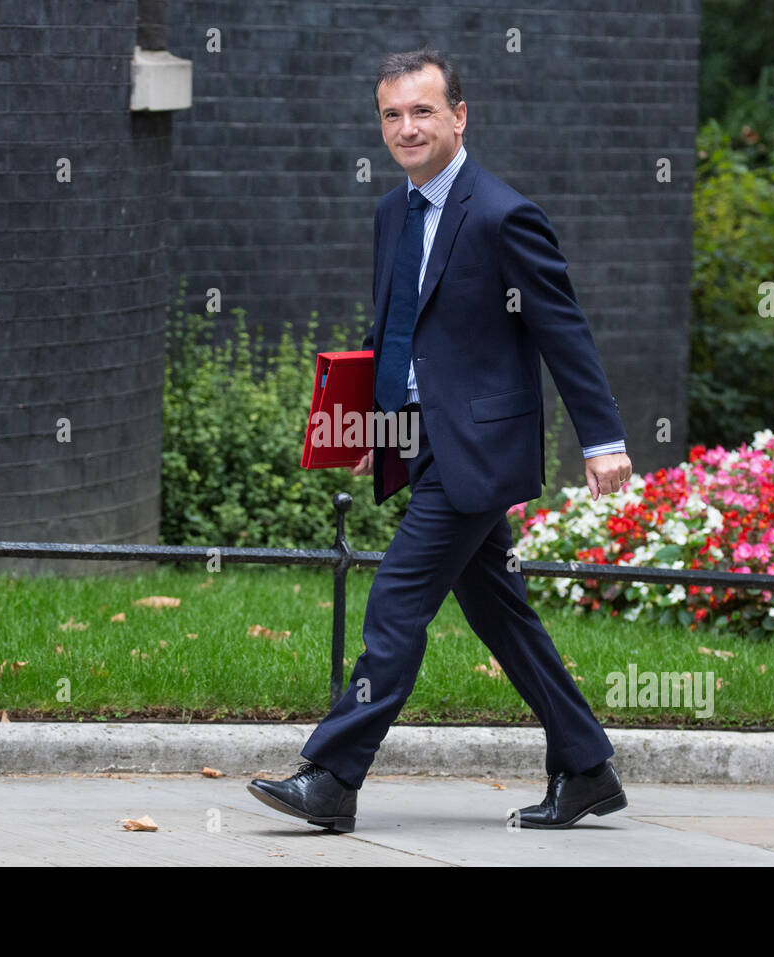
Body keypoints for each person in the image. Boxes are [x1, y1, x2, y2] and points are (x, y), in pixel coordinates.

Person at [248, 48, 633, 832]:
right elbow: (394, 329)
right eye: (392, 114)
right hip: (421, 440)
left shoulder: (501, 214)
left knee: (394, 603)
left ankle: (331, 775)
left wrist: (603, 438)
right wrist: (361, 419)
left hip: (479, 452)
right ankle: (587, 766)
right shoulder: (395, 211)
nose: (406, 127)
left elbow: (563, 330)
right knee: (502, 615)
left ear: (460, 116)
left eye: (422, 110)